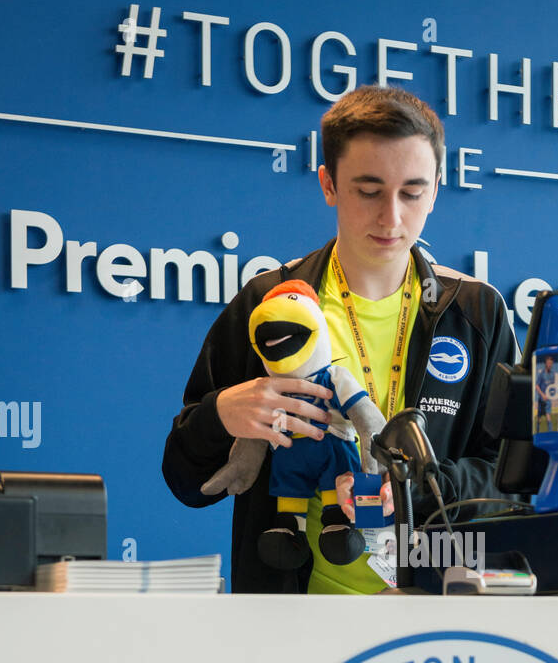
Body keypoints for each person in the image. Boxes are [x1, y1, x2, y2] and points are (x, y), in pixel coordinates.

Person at [162, 84, 519, 593]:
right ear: (329, 185)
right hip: (293, 621)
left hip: (438, 613)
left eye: (413, 192)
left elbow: (516, 479)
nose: (391, 217)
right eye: (369, 191)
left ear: (437, 189)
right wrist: (222, 414)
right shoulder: (268, 305)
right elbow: (185, 481)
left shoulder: (476, 312)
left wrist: (422, 485)